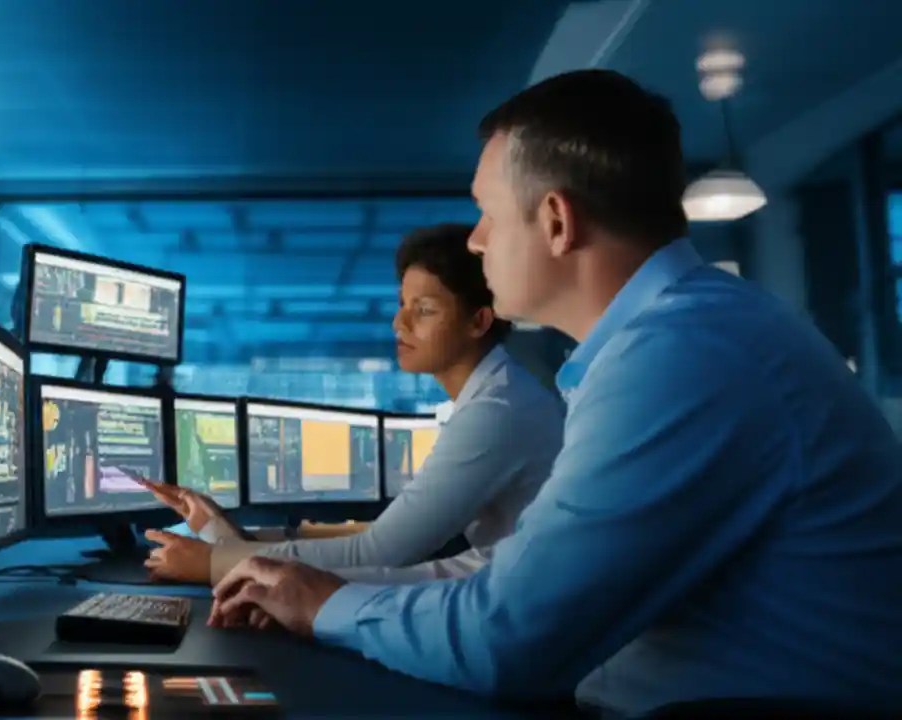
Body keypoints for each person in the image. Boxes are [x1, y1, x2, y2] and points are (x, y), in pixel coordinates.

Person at [207, 69, 902, 717]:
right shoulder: (680, 336)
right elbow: (517, 577)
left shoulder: (682, 355)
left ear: (556, 221)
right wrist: (326, 597)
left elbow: (511, 637)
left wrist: (327, 607)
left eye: (486, 212)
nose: (476, 241)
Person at [140, 224, 564, 585]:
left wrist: (213, 563)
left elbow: (384, 551)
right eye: (402, 304)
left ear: (479, 321)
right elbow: (387, 543)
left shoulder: (495, 413)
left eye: (425, 309)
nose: (400, 322)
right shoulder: (497, 396)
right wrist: (228, 539)